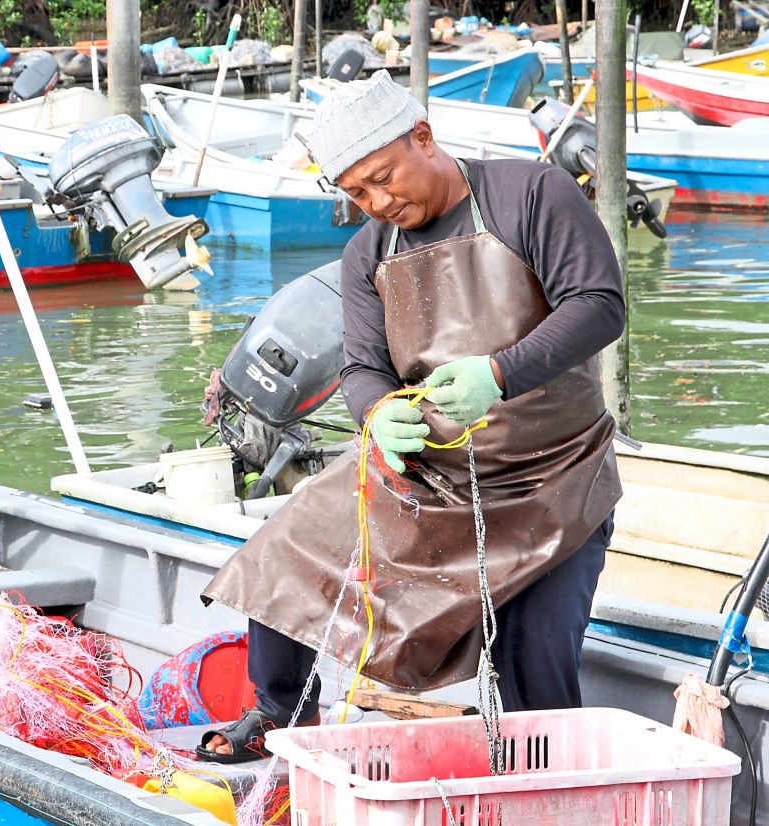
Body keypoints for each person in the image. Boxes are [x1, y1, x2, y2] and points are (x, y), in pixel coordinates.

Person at [196, 70, 623, 763]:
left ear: (423, 136)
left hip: (555, 479)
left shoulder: (532, 193)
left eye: (382, 178)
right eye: (356, 193)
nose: (377, 202)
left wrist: (498, 374)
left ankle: (547, 772)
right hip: (431, 475)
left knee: (533, 656)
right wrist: (378, 414)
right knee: (283, 553)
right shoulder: (367, 252)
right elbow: (362, 367)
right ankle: (279, 713)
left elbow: (598, 304)